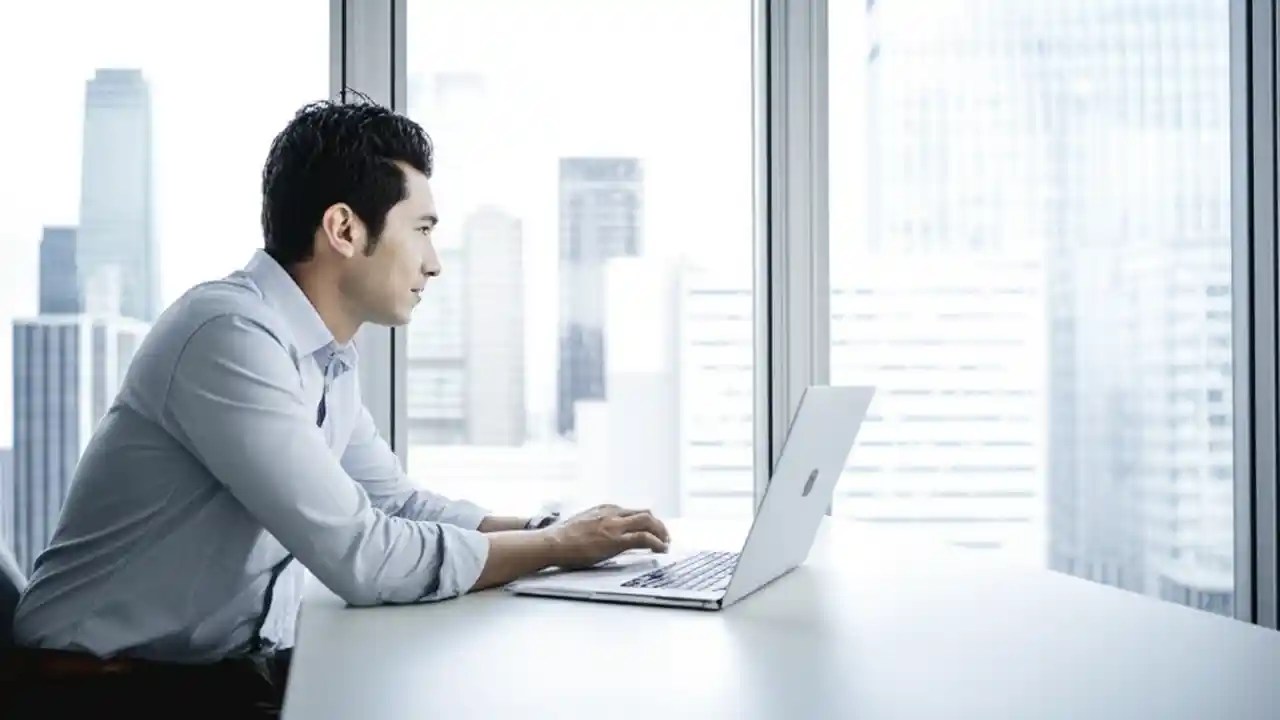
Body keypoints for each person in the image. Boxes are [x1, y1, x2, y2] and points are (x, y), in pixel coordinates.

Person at [6, 100, 671, 717]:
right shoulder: (228, 337)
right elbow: (364, 555)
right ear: (344, 229)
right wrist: (553, 546)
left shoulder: (321, 357)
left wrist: (548, 529)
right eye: (423, 230)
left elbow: (397, 505)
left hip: (208, 673)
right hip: (98, 690)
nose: (434, 264)